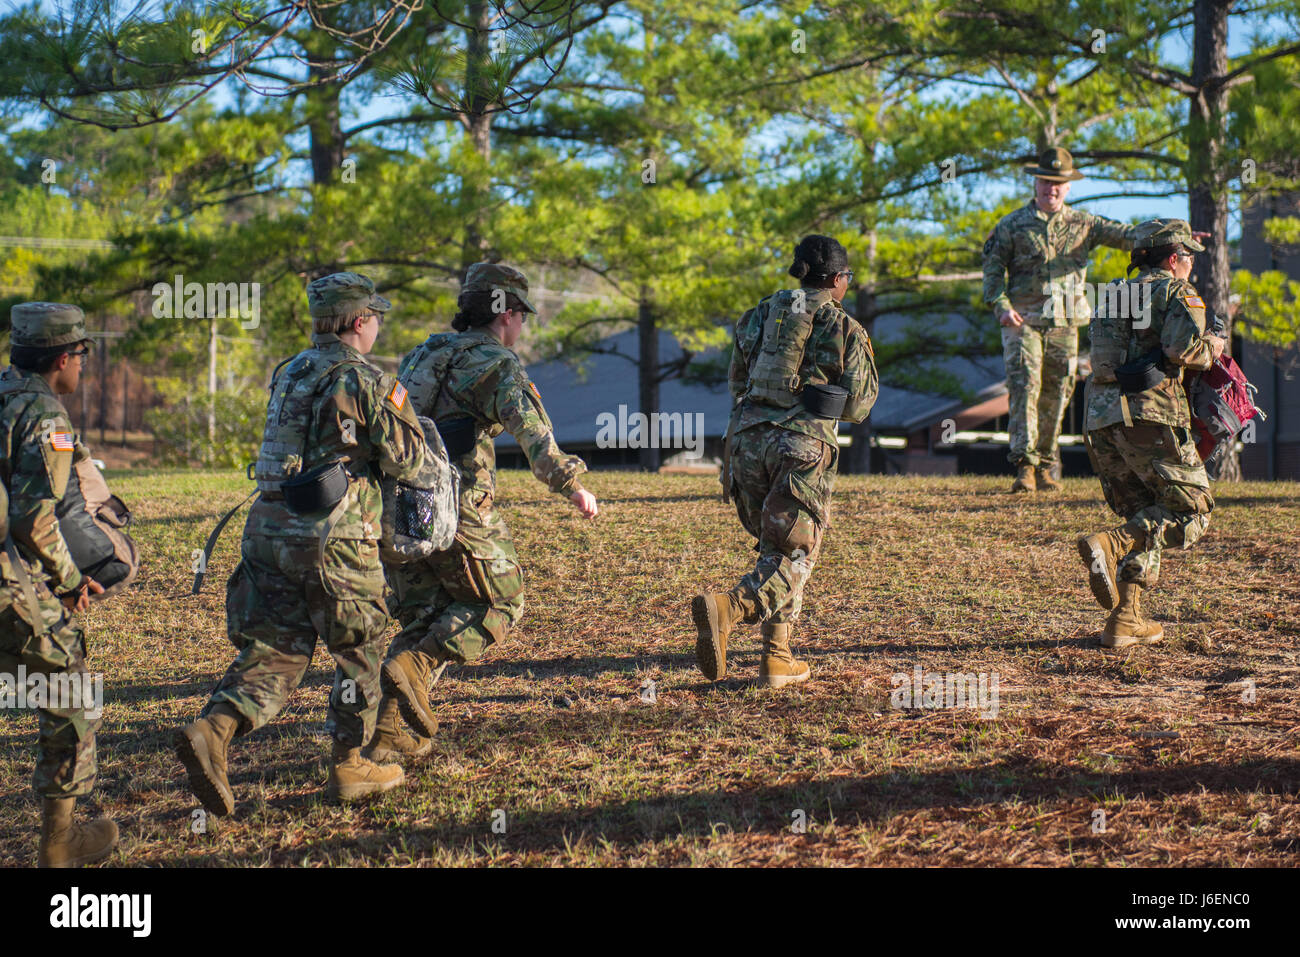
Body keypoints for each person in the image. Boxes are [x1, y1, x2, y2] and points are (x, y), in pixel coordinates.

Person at [173, 272, 432, 812]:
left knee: (279, 647)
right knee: (360, 649)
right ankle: (348, 763)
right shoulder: (367, 381)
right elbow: (410, 462)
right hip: (332, 538)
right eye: (375, 316)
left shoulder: (287, 370)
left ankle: (214, 731)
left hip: (267, 530)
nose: (378, 325)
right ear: (359, 322)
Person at [371, 263, 596, 757]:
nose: (522, 327)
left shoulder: (421, 354)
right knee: (500, 602)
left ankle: (385, 736)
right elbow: (535, 434)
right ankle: (412, 670)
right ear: (508, 313)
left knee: (426, 614)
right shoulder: (497, 364)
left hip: (398, 508)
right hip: (454, 506)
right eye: (522, 316)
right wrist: (572, 485)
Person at [694, 235, 878, 688]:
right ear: (837, 279)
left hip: (745, 445)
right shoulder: (844, 326)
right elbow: (858, 405)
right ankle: (730, 608)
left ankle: (777, 657)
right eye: (846, 279)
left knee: (776, 550)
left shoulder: (757, 315)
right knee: (795, 551)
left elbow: (737, 381)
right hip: (801, 447)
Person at [0, 302, 114, 867]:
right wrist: (70, 582)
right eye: (81, 358)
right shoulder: (43, 413)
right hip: (8, 579)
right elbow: (32, 518)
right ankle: (59, 843)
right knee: (67, 687)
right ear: (64, 358)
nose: (81, 370)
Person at [1077, 219, 1224, 648]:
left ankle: (1126, 620)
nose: (1192, 266)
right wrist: (1215, 346)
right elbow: (1183, 351)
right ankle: (1110, 543)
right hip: (1150, 415)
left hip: (1101, 421)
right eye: (1190, 257)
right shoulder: (1177, 291)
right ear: (1174, 258)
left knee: (1148, 512)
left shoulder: (1111, 296)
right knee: (1192, 510)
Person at [982, 146, 1140, 493]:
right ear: (1035, 183)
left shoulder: (1084, 224)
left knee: (1059, 392)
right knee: (1025, 385)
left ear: (1068, 187)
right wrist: (1001, 306)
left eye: (1058, 183)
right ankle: (1024, 466)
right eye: (1045, 182)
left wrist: (1172, 236)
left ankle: (1046, 464)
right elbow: (992, 272)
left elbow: (1127, 235)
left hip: (1066, 322)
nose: (1051, 189)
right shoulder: (1010, 226)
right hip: (1022, 320)